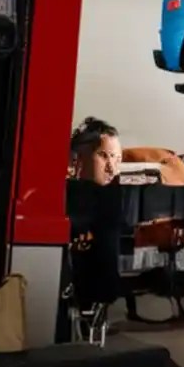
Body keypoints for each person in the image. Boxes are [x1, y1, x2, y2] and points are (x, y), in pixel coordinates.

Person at [65, 117, 125, 315]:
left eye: (117, 159)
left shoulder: (114, 195)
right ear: (78, 158)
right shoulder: (69, 194)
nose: (112, 167)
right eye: (104, 156)